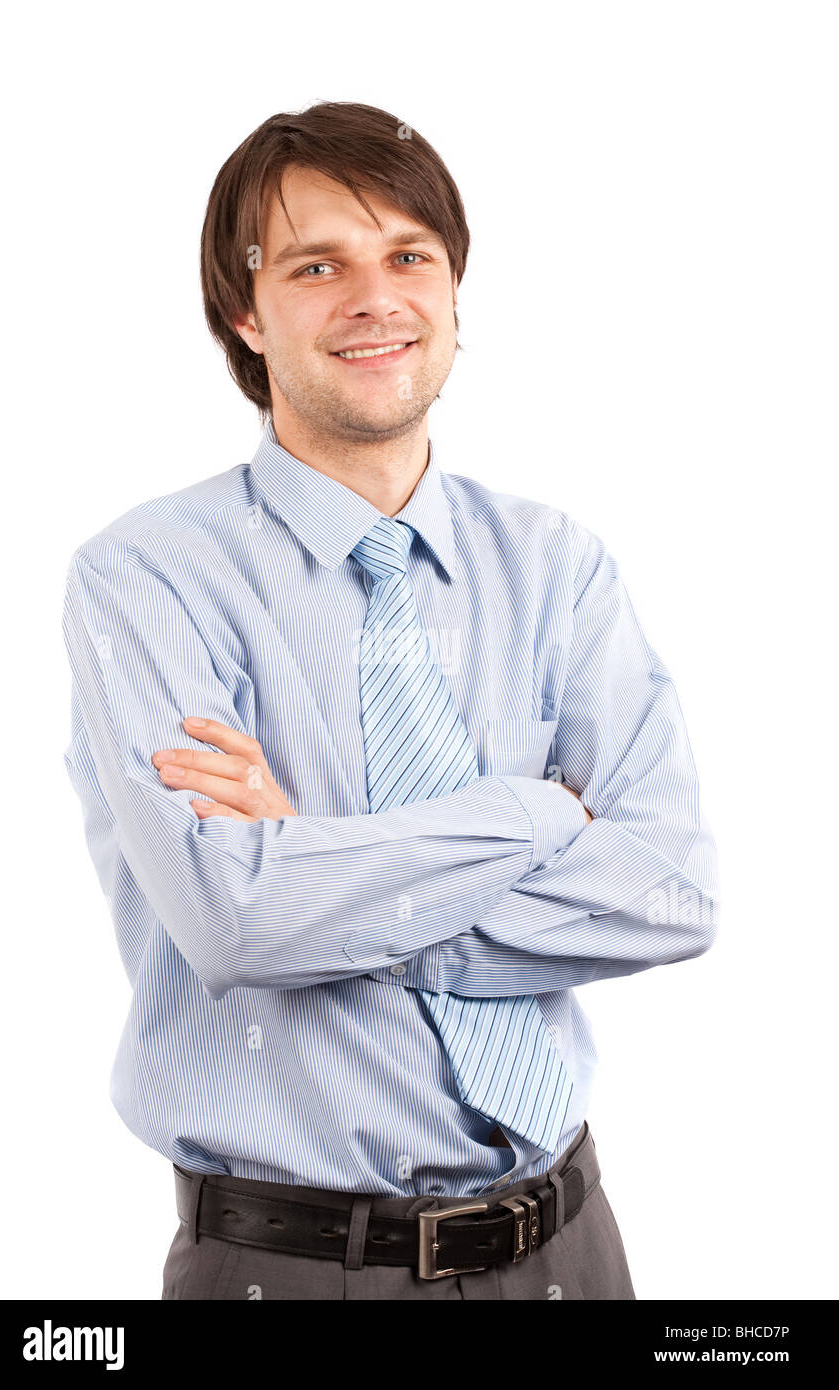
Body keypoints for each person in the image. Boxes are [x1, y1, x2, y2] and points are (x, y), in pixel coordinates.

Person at [61, 101, 718, 1301]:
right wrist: (531, 815)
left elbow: (672, 892)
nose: (375, 297)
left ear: (455, 298)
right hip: (296, 1267)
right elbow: (237, 923)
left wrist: (321, 862)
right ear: (245, 313)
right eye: (317, 265)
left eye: (409, 256)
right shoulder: (147, 577)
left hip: (573, 1245)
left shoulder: (553, 565)